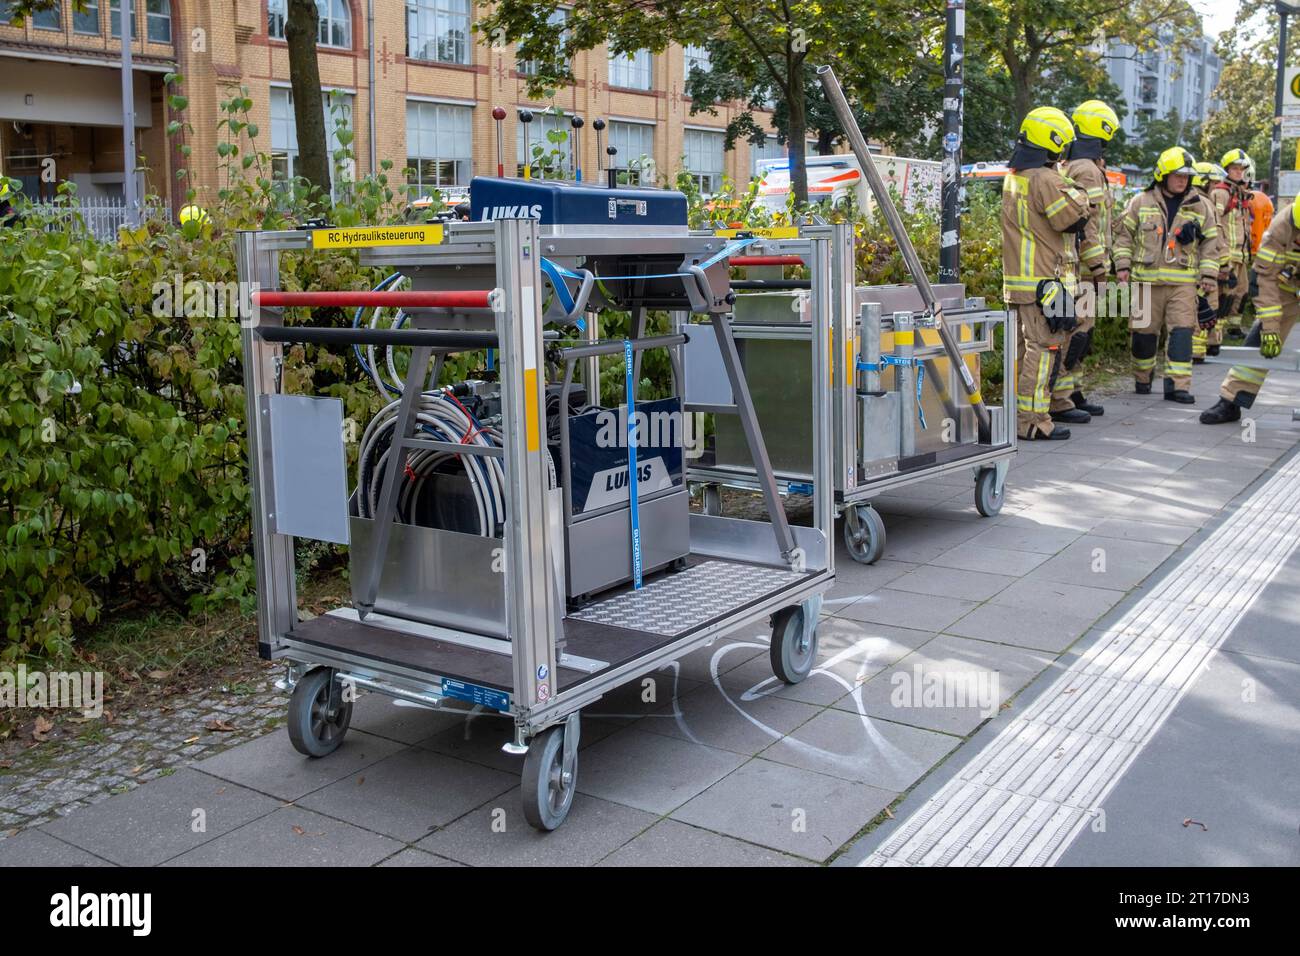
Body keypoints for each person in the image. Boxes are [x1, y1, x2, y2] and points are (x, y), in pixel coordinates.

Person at [1001, 106, 1091, 440]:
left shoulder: (1016, 177)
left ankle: (1018, 416)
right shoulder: (1046, 179)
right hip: (1047, 283)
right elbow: (1073, 216)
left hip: (1021, 282)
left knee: (1025, 352)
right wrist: (1078, 192)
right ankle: (1034, 422)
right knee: (1045, 351)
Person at [1113, 147, 1222, 404]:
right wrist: (1122, 266)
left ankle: (1178, 387)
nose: (1183, 180)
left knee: (1182, 335)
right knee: (1143, 336)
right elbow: (1123, 237)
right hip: (1145, 283)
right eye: (1177, 175)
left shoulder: (1201, 206)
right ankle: (1142, 379)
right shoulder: (1140, 202)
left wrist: (1208, 274)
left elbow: (1212, 244)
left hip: (1182, 284)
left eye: (1186, 175)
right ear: (1163, 175)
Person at [1050, 99, 1120, 423]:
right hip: (1083, 269)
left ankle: (1072, 392)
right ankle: (1060, 400)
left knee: (1083, 333)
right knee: (1076, 334)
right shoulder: (1088, 170)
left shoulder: (1085, 167)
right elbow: (1089, 225)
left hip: (1082, 267)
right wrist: (1100, 268)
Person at [1200, 200, 1300, 424]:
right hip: (1283, 287)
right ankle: (1231, 401)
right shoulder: (1281, 227)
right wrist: (1271, 328)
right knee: (1261, 341)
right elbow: (1263, 279)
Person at [1214, 149, 1255, 340]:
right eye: (1235, 169)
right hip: (1227, 254)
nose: (1239, 172)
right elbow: (1214, 224)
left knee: (1241, 292)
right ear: (1227, 170)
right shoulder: (1221, 193)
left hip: (1240, 254)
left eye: (1241, 169)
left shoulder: (1240, 193)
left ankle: (1233, 328)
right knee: (1225, 294)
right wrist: (1221, 254)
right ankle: (1216, 333)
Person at [1188, 161, 1227, 363]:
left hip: (1194, 266)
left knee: (1202, 308)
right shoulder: (1204, 204)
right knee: (1203, 308)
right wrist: (1225, 264)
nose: (1215, 188)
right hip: (1200, 267)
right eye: (1212, 184)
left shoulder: (1193, 200)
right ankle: (1197, 352)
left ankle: (1201, 349)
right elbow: (1216, 239)